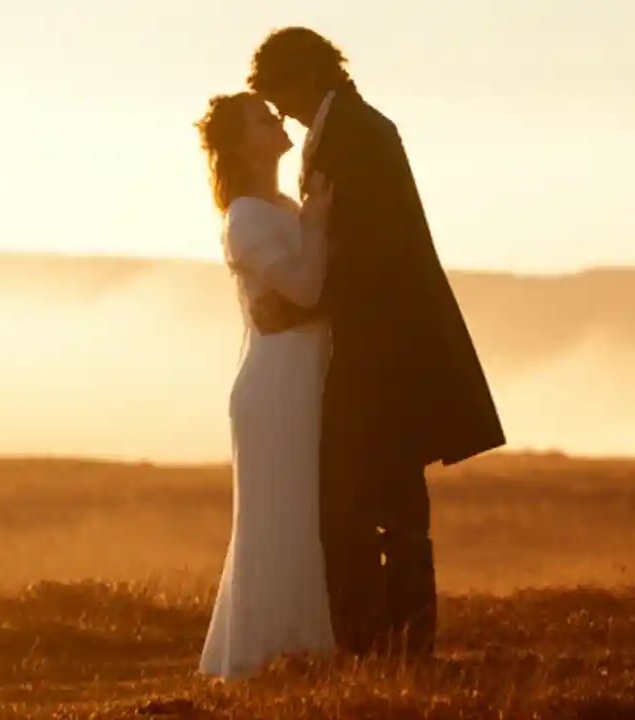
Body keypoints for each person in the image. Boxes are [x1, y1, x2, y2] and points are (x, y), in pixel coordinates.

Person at [245, 27, 506, 658]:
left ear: (304, 77)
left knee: (354, 510)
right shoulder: (355, 127)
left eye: (280, 96)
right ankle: (400, 646)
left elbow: (370, 254)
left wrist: (295, 301)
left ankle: (377, 646)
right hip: (382, 350)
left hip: (381, 356)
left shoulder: (356, 134)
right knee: (389, 504)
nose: (282, 113)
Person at [195, 91, 338, 679]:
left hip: (302, 378)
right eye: (262, 118)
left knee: (303, 518)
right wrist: (319, 224)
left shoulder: (280, 204)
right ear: (238, 144)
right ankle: (266, 661)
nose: (276, 121)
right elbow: (304, 290)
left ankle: (300, 656)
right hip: (277, 387)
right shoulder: (249, 216)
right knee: (281, 521)